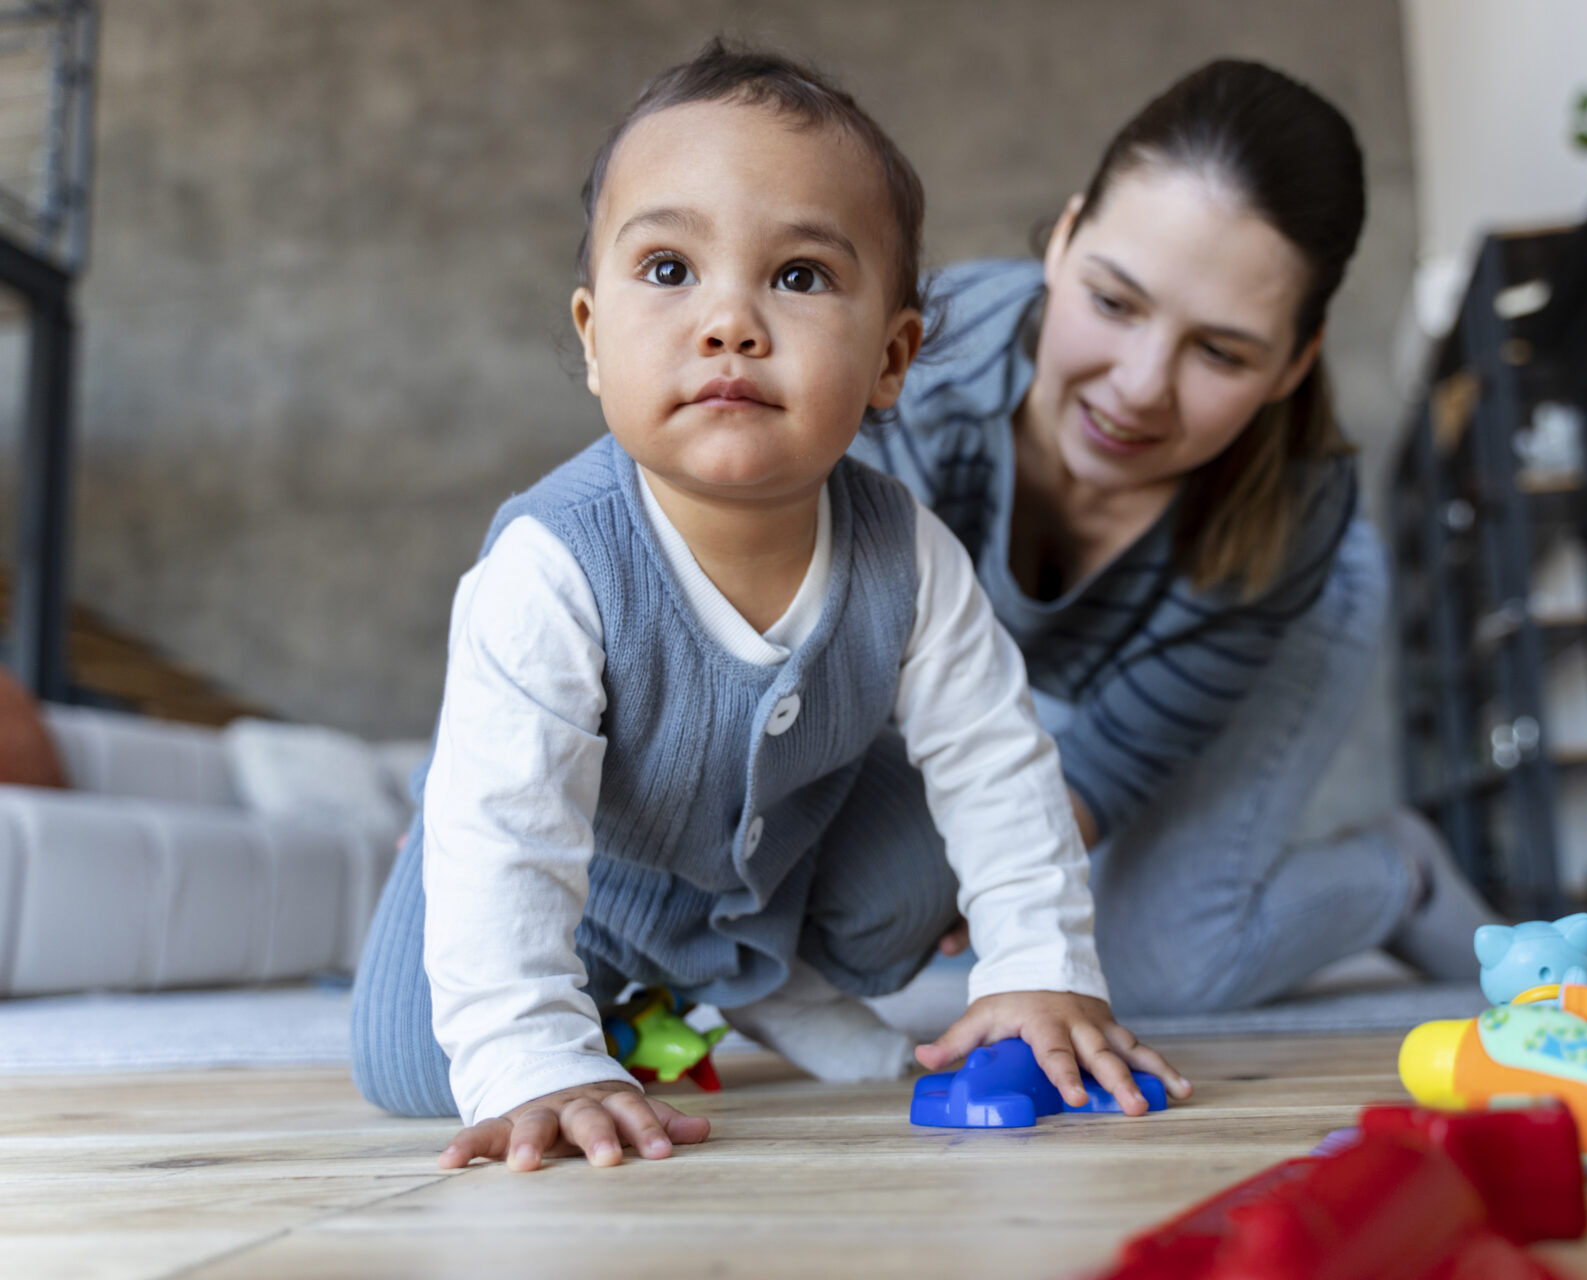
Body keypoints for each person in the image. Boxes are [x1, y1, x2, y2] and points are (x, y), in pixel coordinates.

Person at [350, 42, 1188, 1172]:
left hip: (777, 870)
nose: (730, 321)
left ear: (892, 357)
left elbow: (997, 760)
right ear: (593, 338)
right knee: (420, 1065)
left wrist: (1042, 971)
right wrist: (536, 1057)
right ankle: (605, 980)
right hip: (572, 865)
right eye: (668, 269)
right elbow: (511, 832)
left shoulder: (907, 552)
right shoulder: (553, 564)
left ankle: (755, 976)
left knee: (936, 852)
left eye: (798, 277)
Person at [853, 59, 1496, 1015]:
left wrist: (993, 868)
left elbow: (1104, 767)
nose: (1141, 387)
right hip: (1072, 636)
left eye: (1221, 352)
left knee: (1163, 968)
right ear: (1065, 239)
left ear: (1294, 363)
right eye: (1114, 302)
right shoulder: (915, 380)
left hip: (1292, 593)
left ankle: (1400, 874)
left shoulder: (1292, 510)